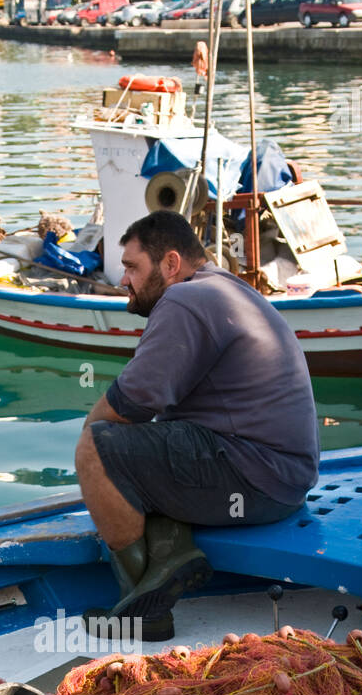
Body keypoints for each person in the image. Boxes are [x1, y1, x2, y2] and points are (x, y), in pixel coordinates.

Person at [75, 209, 321, 641]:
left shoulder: (184, 299)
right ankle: (172, 560)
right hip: (284, 479)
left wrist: (89, 452)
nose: (123, 281)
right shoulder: (225, 289)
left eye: (132, 267)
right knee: (135, 450)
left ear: (170, 264)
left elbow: (127, 404)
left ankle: (141, 609)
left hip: (256, 476)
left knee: (99, 447)